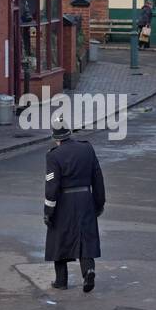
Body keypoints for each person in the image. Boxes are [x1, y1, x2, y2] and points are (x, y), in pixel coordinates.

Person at [44, 124, 105, 292]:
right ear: (69, 134)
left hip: (64, 201)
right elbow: (97, 178)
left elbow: (52, 186)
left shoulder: (53, 156)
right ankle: (88, 271)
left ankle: (61, 281)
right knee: (85, 237)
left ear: (56, 139)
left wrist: (48, 212)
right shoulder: (87, 149)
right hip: (85, 198)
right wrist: (99, 203)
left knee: (60, 238)